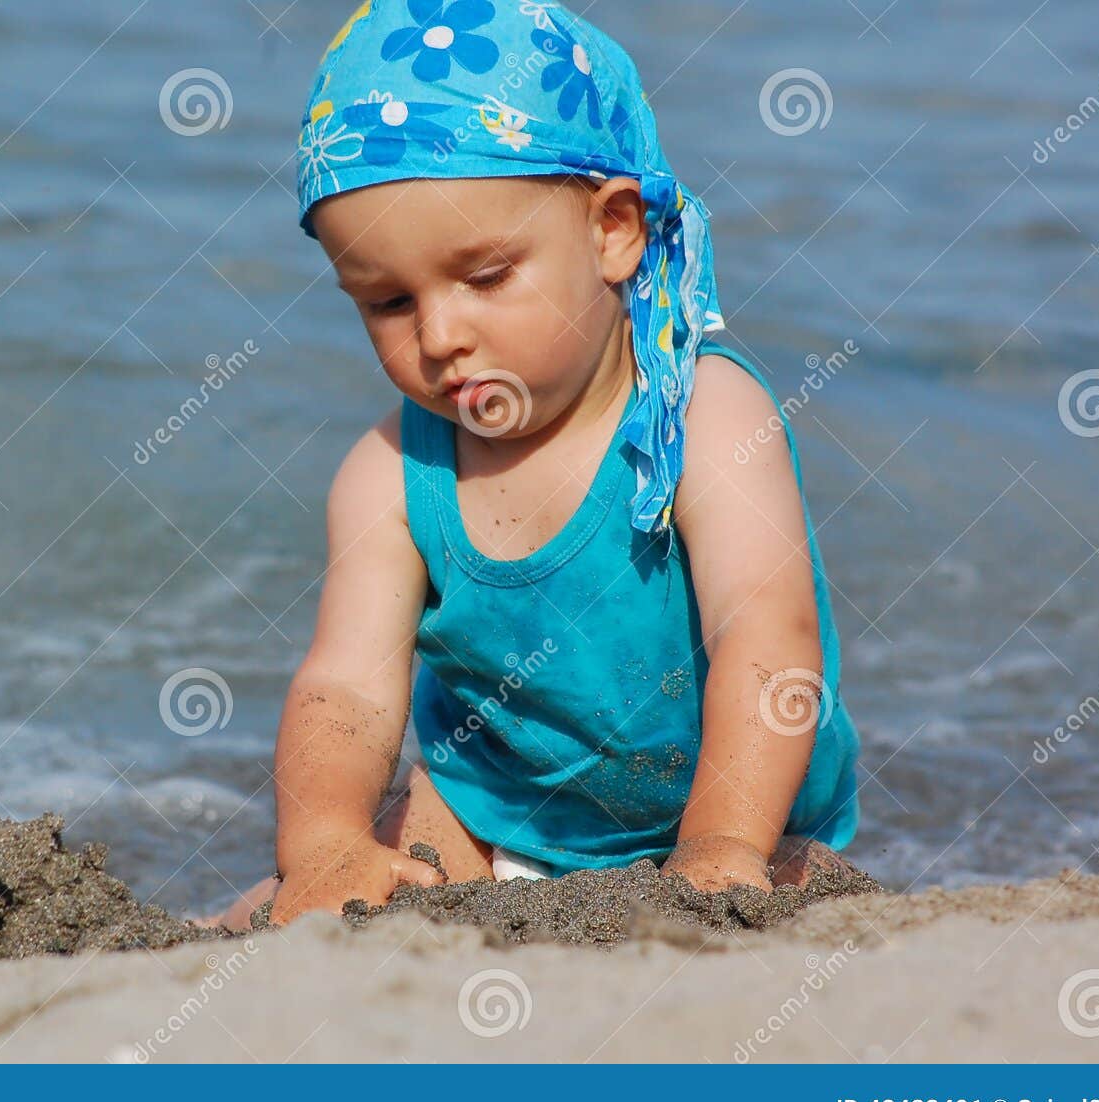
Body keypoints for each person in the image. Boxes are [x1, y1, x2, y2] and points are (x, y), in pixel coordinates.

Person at [202, 0, 861, 931]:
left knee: (791, 888)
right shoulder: (389, 475)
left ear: (613, 230)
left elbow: (767, 642)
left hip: (739, 803)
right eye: (388, 302)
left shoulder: (704, 417)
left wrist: (721, 843)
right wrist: (324, 842)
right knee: (312, 903)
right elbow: (346, 685)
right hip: (496, 807)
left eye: (484, 277)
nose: (440, 335)